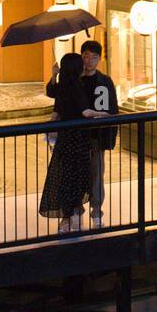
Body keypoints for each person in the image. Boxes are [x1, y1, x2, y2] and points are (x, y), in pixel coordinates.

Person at [45, 41, 119, 229]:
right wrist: (54, 75)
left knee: (96, 175)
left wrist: (109, 135)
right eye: (86, 56)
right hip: (76, 137)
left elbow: (112, 107)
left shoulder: (104, 81)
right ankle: (75, 209)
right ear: (80, 57)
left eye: (94, 56)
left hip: (95, 137)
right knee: (75, 175)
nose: (89, 60)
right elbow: (56, 97)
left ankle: (96, 211)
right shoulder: (73, 80)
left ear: (100, 59)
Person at [40, 53, 95, 232]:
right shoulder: (78, 86)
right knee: (78, 175)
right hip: (79, 139)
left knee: (65, 176)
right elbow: (86, 112)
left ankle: (67, 217)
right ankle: (73, 212)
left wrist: (53, 74)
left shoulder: (62, 86)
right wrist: (107, 116)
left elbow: (50, 91)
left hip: (65, 139)